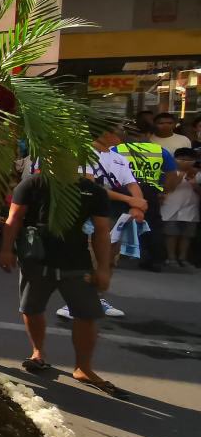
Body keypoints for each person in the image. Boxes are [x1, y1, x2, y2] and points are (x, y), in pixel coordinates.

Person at [0, 167, 123, 398]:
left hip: (76, 263)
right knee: (31, 308)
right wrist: (6, 249)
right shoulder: (32, 184)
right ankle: (38, 352)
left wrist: (104, 268)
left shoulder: (92, 191)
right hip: (36, 260)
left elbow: (102, 231)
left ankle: (83, 368)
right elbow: (14, 218)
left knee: (87, 314)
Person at [55, 125, 145, 321]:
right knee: (91, 258)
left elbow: (132, 185)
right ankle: (75, 302)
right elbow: (89, 186)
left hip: (115, 215)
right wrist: (130, 201)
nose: (121, 133)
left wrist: (137, 206)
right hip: (89, 214)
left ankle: (98, 298)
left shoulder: (119, 158)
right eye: (116, 129)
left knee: (110, 259)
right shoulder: (83, 154)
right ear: (104, 132)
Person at [114, 134, 180, 272]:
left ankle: (115, 258)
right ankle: (155, 260)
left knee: (117, 223)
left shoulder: (117, 149)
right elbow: (172, 175)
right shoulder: (160, 150)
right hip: (150, 191)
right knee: (152, 226)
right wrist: (164, 192)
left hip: (124, 190)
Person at [161, 147, 199, 268]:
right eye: (182, 159)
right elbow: (168, 188)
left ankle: (183, 258)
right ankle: (171, 258)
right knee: (171, 234)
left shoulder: (197, 174)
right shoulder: (169, 172)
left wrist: (193, 182)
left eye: (189, 160)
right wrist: (181, 174)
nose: (185, 162)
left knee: (186, 236)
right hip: (170, 207)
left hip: (190, 209)